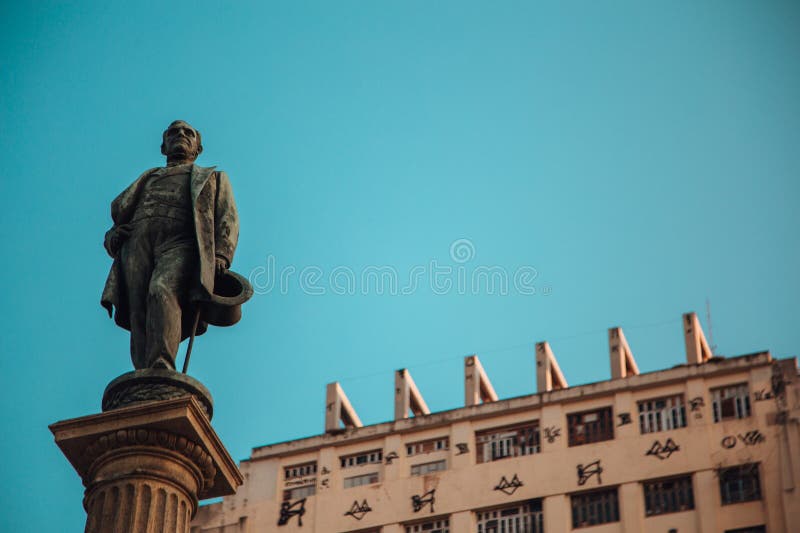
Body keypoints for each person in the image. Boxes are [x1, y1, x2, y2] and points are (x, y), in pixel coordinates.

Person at [101, 120, 239, 370]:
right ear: (163, 146)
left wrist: (221, 254)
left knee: (161, 290)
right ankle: (143, 371)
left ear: (198, 148)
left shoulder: (213, 178)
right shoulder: (148, 178)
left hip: (182, 243)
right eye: (174, 132)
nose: (181, 135)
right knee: (138, 306)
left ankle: (162, 364)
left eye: (188, 133)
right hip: (138, 241)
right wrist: (114, 237)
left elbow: (227, 217)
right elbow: (119, 221)